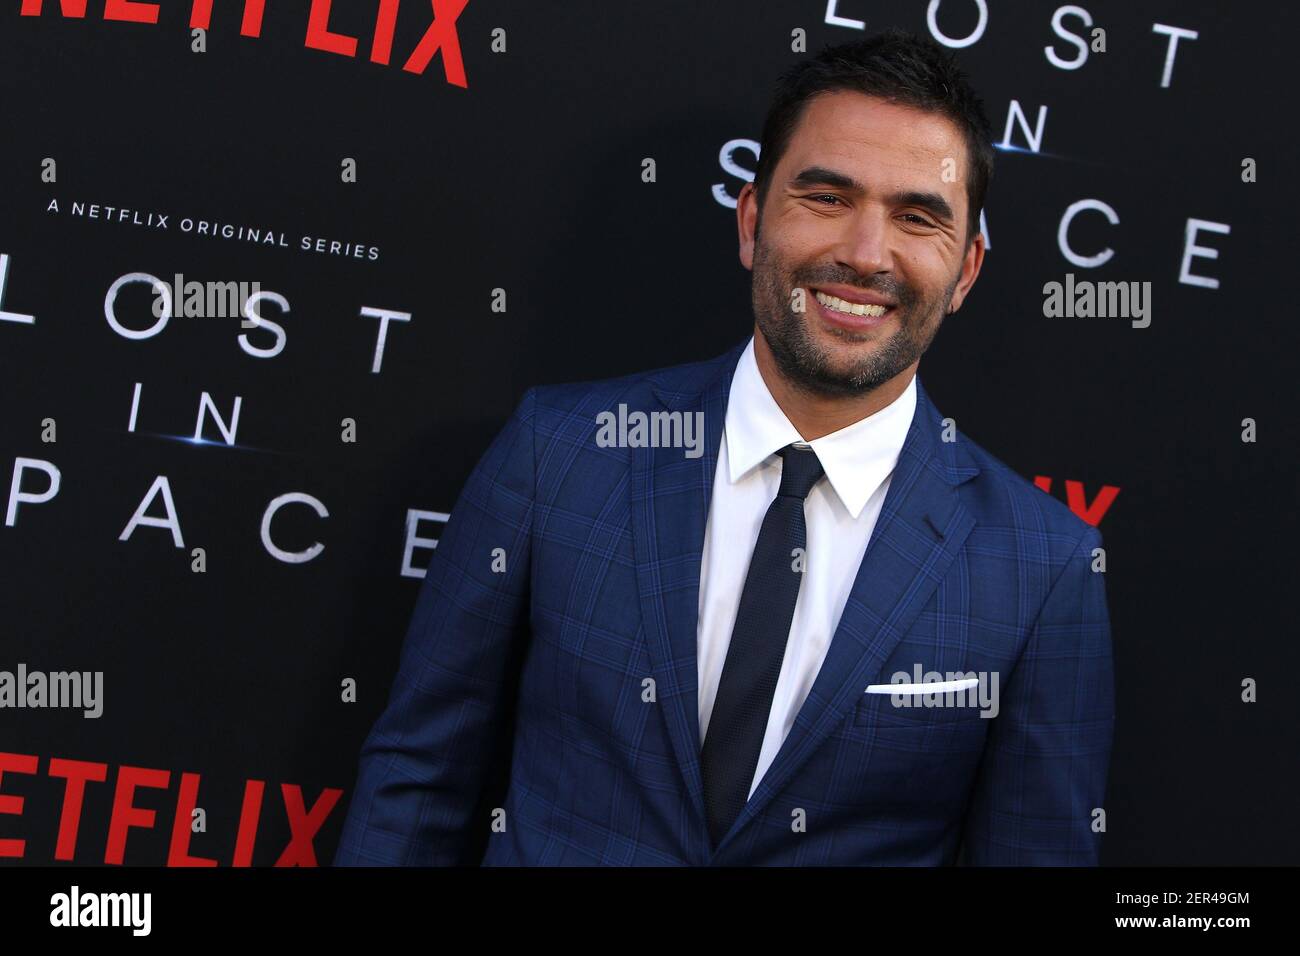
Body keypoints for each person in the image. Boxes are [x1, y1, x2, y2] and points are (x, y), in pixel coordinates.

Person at [333, 29, 1114, 866]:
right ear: (752, 222)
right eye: (826, 197)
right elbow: (417, 781)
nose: (864, 254)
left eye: (918, 217)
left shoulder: (1042, 567)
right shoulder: (559, 453)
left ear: (965, 271)